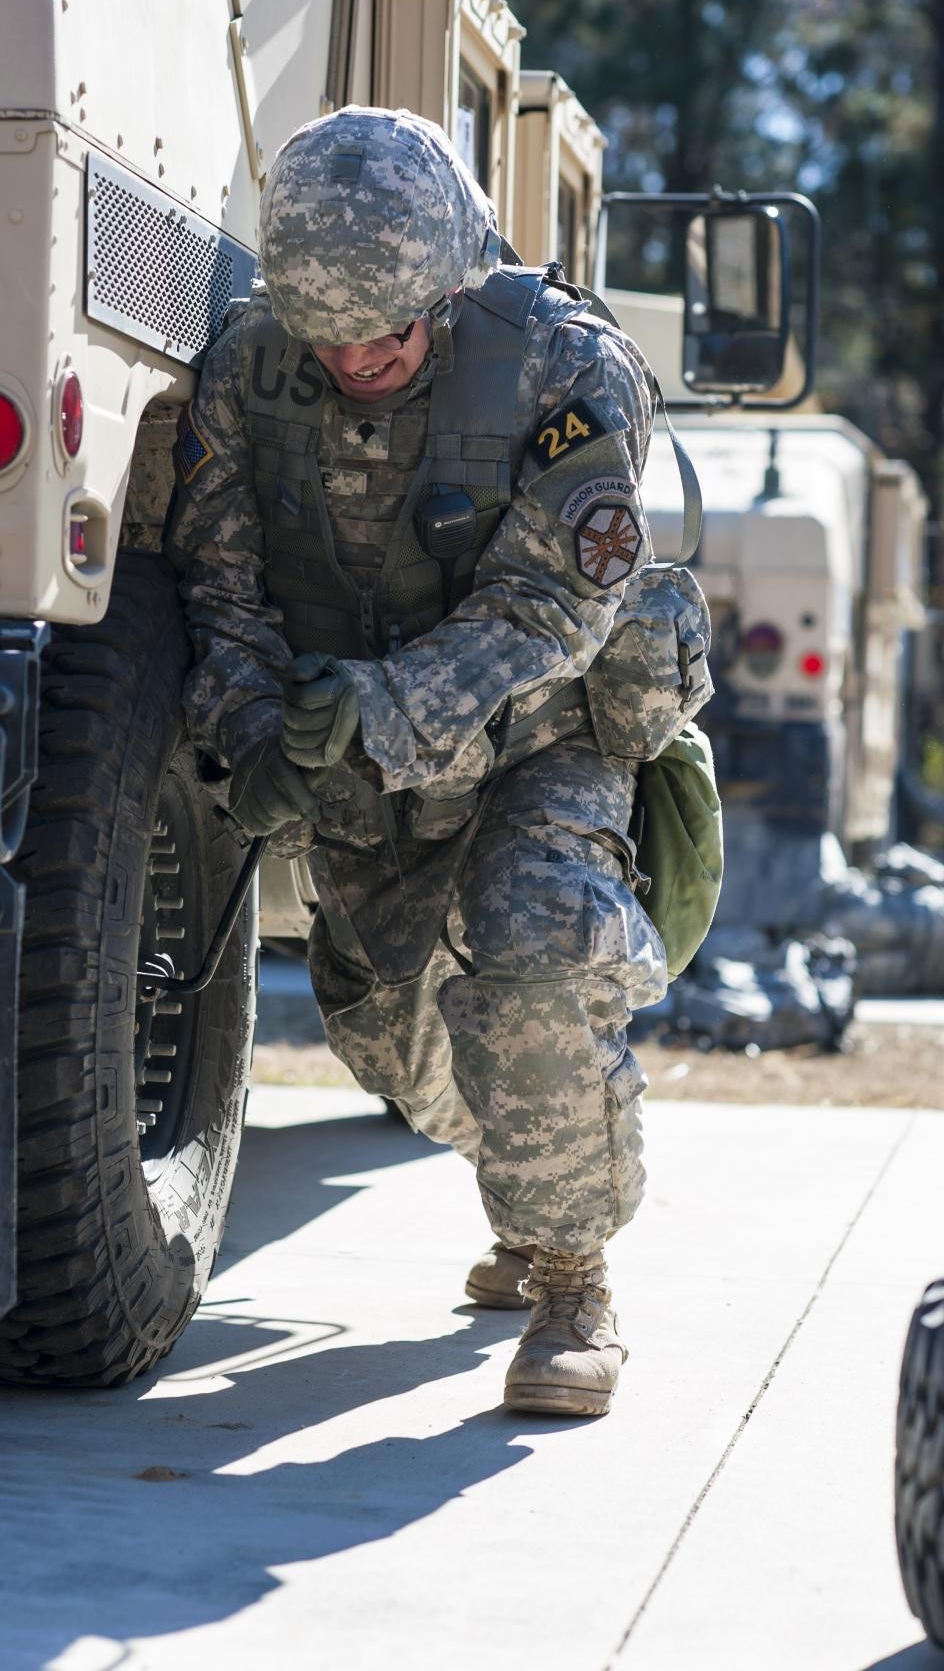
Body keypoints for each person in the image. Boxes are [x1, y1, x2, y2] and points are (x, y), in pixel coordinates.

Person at [164, 105, 669, 1417]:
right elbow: (222, 591)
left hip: (532, 745)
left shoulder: (563, 367)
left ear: (446, 290)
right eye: (328, 338)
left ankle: (570, 1274)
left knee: (527, 941)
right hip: (360, 788)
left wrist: (382, 705)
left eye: (384, 332)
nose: (357, 360)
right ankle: (524, 1156)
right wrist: (257, 733)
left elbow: (556, 607)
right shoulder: (248, 370)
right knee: (389, 1040)